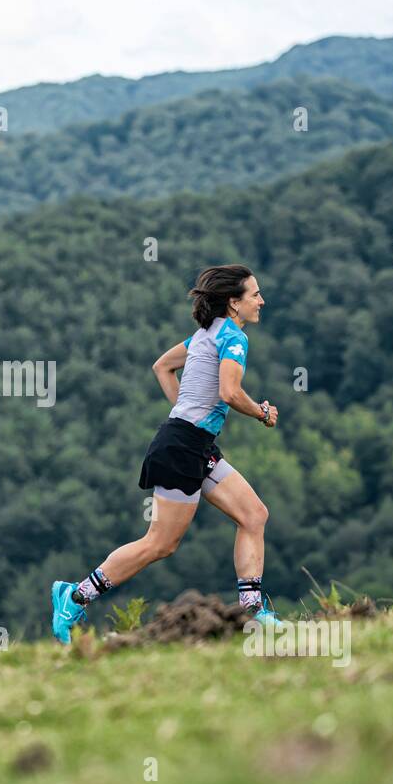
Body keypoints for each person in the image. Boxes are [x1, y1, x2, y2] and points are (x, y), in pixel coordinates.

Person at [50, 264, 280, 643]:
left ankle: (254, 611)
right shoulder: (234, 339)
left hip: (191, 443)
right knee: (160, 543)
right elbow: (229, 392)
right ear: (233, 304)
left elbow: (162, 366)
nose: (262, 301)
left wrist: (186, 414)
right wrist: (262, 413)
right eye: (255, 294)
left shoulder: (208, 333)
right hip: (181, 448)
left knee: (254, 515)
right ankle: (74, 597)